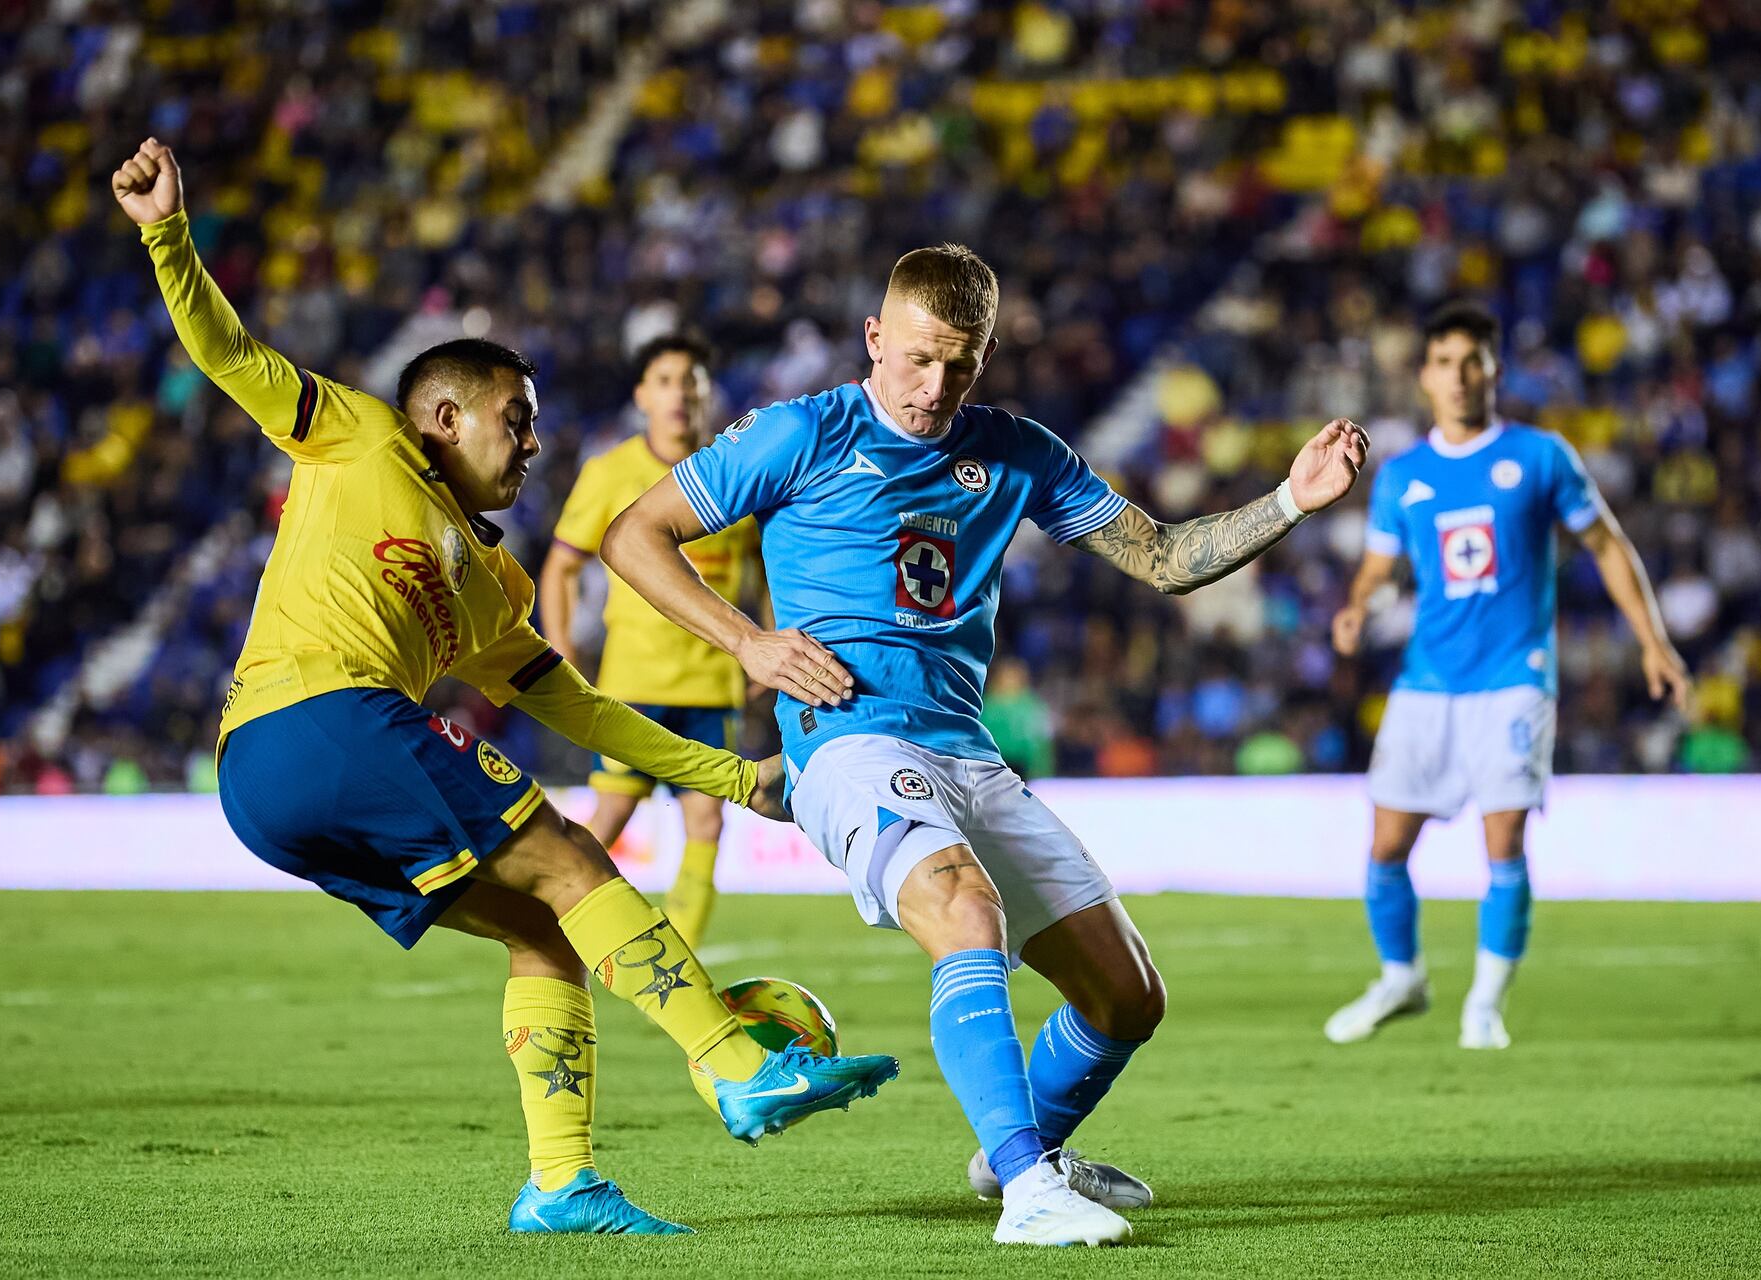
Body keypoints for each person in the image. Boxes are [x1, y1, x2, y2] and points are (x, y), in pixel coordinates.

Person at [111, 138, 896, 1237]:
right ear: (443, 418)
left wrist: (739, 776)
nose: (533, 441)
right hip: (314, 718)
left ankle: (561, 1181)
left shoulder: (493, 584)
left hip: (277, 780)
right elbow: (226, 348)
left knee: (546, 925)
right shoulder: (360, 437)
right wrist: (165, 232)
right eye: (514, 418)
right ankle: (731, 1060)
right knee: (575, 856)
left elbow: (583, 708)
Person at [599, 243, 1368, 1246]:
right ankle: (1026, 1187)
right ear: (875, 338)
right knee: (966, 908)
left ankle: (1024, 1145)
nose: (933, 386)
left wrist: (1291, 501)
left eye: (959, 364)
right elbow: (633, 534)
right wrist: (748, 641)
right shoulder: (801, 433)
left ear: (987, 355)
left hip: (964, 749)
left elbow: (1167, 558)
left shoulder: (1015, 450)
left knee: (1127, 994)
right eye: (916, 358)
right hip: (848, 739)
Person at [1325, 301, 1692, 1051]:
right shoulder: (1402, 478)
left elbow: (1608, 544)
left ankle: (1485, 1003)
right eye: (1444, 363)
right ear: (1424, 376)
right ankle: (1403, 977)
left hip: (1515, 677)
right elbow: (1376, 569)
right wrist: (1358, 606)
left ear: (1495, 369)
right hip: (1429, 681)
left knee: (1505, 840)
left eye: (1473, 361)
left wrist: (1653, 641)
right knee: (1386, 844)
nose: (1459, 377)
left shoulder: (1540, 457)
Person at [539, 333, 762, 946]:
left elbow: (762, 574)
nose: (679, 394)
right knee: (610, 816)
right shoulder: (610, 472)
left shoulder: (735, 470)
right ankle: (548, 932)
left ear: (707, 393)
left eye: (691, 380)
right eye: (665, 380)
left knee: (707, 821)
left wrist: (765, 652)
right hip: (633, 682)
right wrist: (561, 652)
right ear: (642, 395)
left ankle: (680, 959)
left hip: (712, 683)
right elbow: (559, 567)